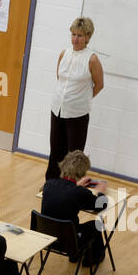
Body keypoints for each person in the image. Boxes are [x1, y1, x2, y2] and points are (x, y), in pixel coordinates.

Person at [47, 16, 103, 181]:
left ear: (87, 37)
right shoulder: (64, 53)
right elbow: (60, 77)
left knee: (74, 154)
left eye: (79, 35)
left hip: (78, 113)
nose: (75, 39)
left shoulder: (92, 59)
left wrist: (82, 99)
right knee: (55, 149)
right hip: (57, 109)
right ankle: (51, 183)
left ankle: (71, 185)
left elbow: (99, 85)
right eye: (73, 34)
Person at [41, 150, 106, 267]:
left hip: (46, 236)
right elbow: (101, 206)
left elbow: (64, 194)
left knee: (65, 221)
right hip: (69, 240)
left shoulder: (48, 184)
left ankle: (75, 256)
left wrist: (76, 185)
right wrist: (101, 192)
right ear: (82, 172)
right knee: (96, 225)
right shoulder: (80, 192)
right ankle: (91, 260)